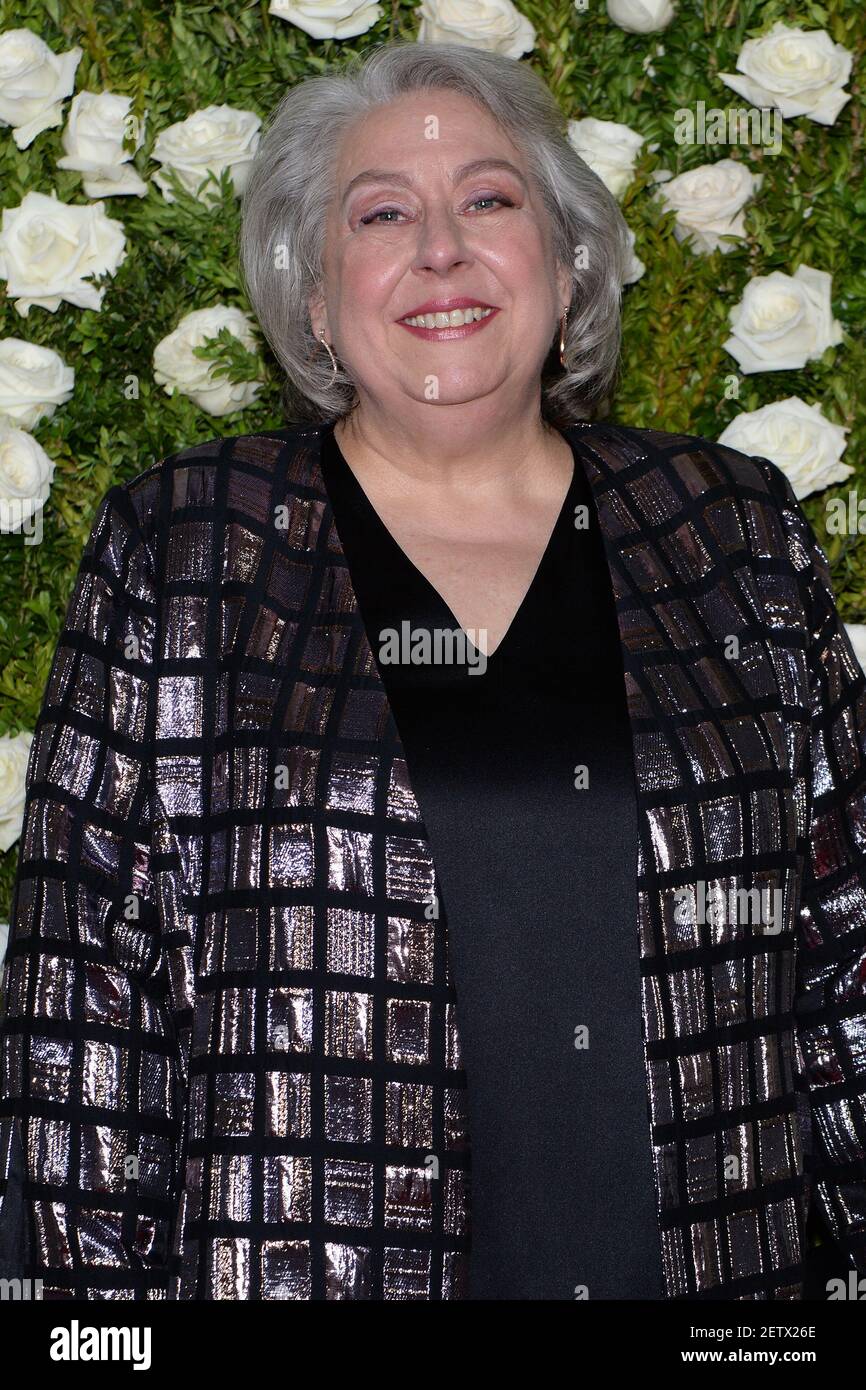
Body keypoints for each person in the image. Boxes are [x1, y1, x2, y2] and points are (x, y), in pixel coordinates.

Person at [0, 39, 863, 1300]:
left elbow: (847, 953)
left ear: (565, 269)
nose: (440, 247)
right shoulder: (184, 545)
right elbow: (82, 1011)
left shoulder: (728, 526)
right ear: (310, 297)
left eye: (489, 200)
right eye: (382, 214)